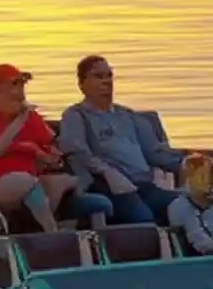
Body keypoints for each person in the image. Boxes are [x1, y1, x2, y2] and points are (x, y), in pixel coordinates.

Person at [0, 63, 112, 231]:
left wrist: (49, 157)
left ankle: (78, 236)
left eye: (21, 86)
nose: (19, 93)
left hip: (32, 181)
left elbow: (53, 146)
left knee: (65, 182)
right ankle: (52, 232)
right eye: (13, 85)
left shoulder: (31, 118)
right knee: (24, 180)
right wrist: (18, 124)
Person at [58, 55, 183, 225]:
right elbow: (76, 151)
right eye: (98, 76)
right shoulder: (76, 115)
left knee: (189, 205)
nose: (106, 82)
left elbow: (154, 152)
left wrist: (189, 162)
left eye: (109, 76)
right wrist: (106, 171)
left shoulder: (127, 116)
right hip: (111, 187)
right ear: (82, 84)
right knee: (144, 218)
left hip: (144, 185)